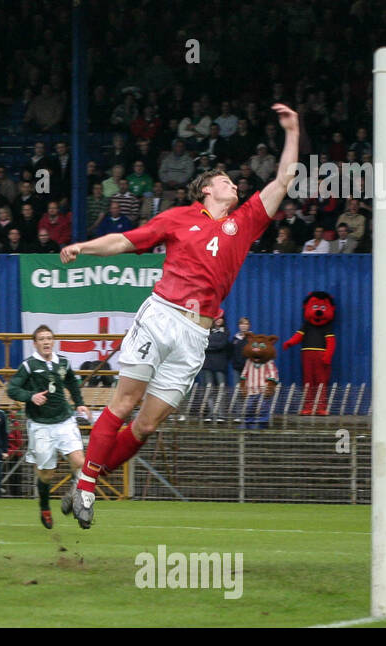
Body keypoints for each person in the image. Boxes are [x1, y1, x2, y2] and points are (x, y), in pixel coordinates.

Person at [58, 103, 301, 530]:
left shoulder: (245, 222)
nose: (233, 183)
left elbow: (284, 178)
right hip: (162, 316)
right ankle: (87, 490)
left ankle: (85, 478)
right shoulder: (178, 218)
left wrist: (293, 130)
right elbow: (125, 241)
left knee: (147, 424)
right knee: (125, 401)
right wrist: (84, 247)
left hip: (197, 335)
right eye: (225, 180)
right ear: (206, 190)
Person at [6, 325, 88, 528]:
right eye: (42, 339)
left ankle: (75, 498)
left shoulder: (63, 362)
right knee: (46, 474)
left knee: (79, 461)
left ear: (53, 341)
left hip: (64, 420)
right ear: (35, 343)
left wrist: (79, 403)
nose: (46, 342)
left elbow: (71, 382)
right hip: (41, 425)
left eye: (49, 338)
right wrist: (30, 396)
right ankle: (44, 506)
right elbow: (12, 389)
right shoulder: (29, 365)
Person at [196, 314, 232, 420]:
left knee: (220, 389)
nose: (218, 320)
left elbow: (221, 345)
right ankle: (212, 413)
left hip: (220, 365)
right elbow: (202, 344)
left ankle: (221, 414)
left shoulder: (225, 332)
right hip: (207, 364)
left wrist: (210, 346)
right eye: (216, 318)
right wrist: (212, 346)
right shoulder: (206, 331)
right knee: (209, 389)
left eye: (220, 318)